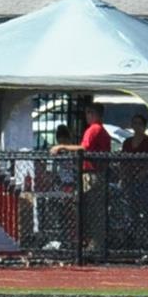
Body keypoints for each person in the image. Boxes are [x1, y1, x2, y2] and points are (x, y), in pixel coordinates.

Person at [51, 102, 113, 253]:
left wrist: (62, 147)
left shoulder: (94, 129)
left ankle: (94, 245)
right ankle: (94, 244)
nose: (86, 117)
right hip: (96, 173)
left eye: (88, 113)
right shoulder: (101, 130)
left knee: (90, 211)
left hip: (92, 174)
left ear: (94, 114)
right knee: (92, 211)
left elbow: (84, 148)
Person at [119, 112, 148, 249]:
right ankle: (132, 237)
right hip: (130, 180)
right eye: (134, 123)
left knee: (146, 208)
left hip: (146, 180)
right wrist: (123, 176)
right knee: (131, 209)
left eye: (140, 124)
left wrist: (146, 172)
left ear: (144, 126)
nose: (136, 126)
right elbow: (123, 162)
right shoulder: (127, 142)